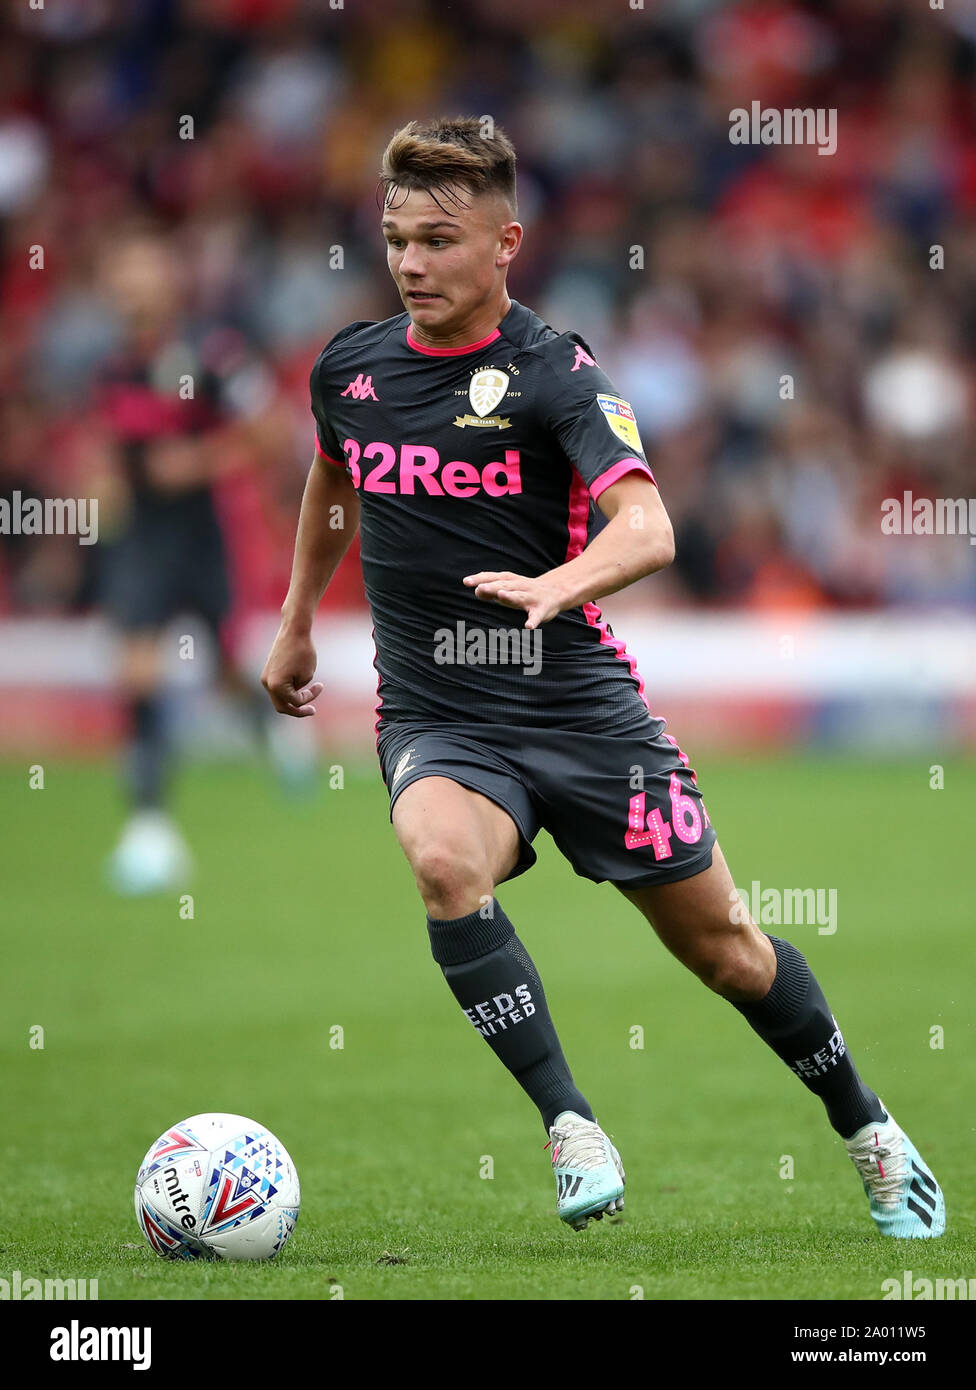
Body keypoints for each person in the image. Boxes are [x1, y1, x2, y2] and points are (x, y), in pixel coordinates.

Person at [261, 118, 944, 1237]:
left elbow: (650, 526)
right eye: (396, 239)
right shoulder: (351, 367)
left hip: (579, 709)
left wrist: (559, 585)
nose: (413, 263)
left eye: (438, 239)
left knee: (725, 948)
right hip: (439, 708)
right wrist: (295, 622)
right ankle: (569, 1122)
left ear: (504, 243)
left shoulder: (556, 373)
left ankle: (864, 1122)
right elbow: (333, 479)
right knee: (441, 859)